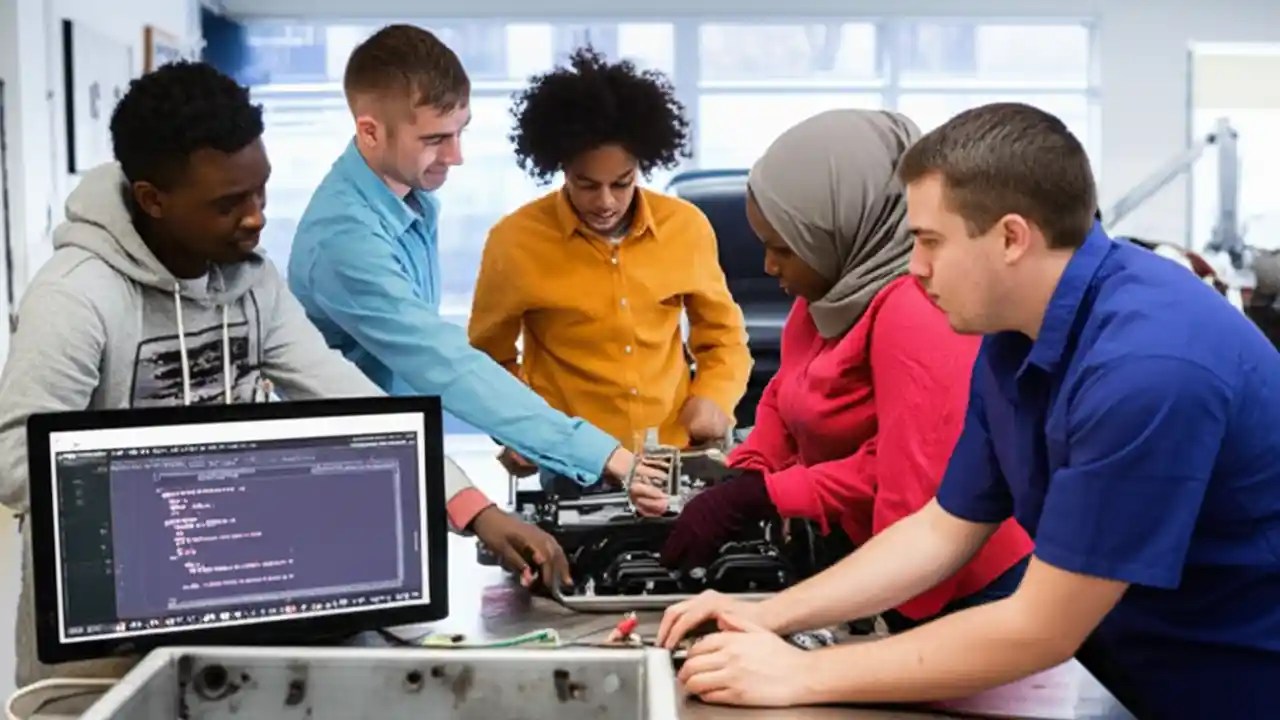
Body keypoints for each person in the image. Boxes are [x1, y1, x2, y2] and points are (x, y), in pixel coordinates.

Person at [654, 102, 1280, 718]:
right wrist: (766, 615)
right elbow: (942, 528)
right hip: (1134, 669)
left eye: (929, 241)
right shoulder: (1012, 335)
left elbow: (1042, 627)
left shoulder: (1148, 369)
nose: (914, 268)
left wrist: (800, 673)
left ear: (1011, 237)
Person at [0, 62, 561, 689]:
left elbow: (355, 405)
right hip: (104, 647)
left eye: (260, 191)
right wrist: (199, 492)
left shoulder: (252, 282)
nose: (256, 217)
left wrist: (476, 509)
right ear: (153, 200)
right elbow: (19, 466)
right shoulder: (76, 296)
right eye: (228, 204)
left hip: (229, 612)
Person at [629, 109, 1032, 631]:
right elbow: (784, 393)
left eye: (783, 249)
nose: (770, 267)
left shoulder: (914, 312)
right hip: (875, 558)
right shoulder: (829, 295)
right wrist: (747, 470)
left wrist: (767, 495)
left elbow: (902, 470)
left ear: (841, 228)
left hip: (967, 589)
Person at [288, 25, 662, 497]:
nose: (456, 155)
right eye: (435, 139)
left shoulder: (408, 201)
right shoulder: (345, 240)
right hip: (342, 477)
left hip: (398, 453)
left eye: (460, 132)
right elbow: (441, 360)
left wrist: (521, 430)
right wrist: (599, 453)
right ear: (370, 131)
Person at [468, 46, 751, 489]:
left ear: (642, 166)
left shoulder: (686, 228)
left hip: (675, 458)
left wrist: (714, 397)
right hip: (573, 466)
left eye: (622, 182)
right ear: (561, 167)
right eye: (587, 184)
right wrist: (517, 426)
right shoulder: (514, 242)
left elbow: (723, 336)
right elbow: (488, 358)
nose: (606, 201)